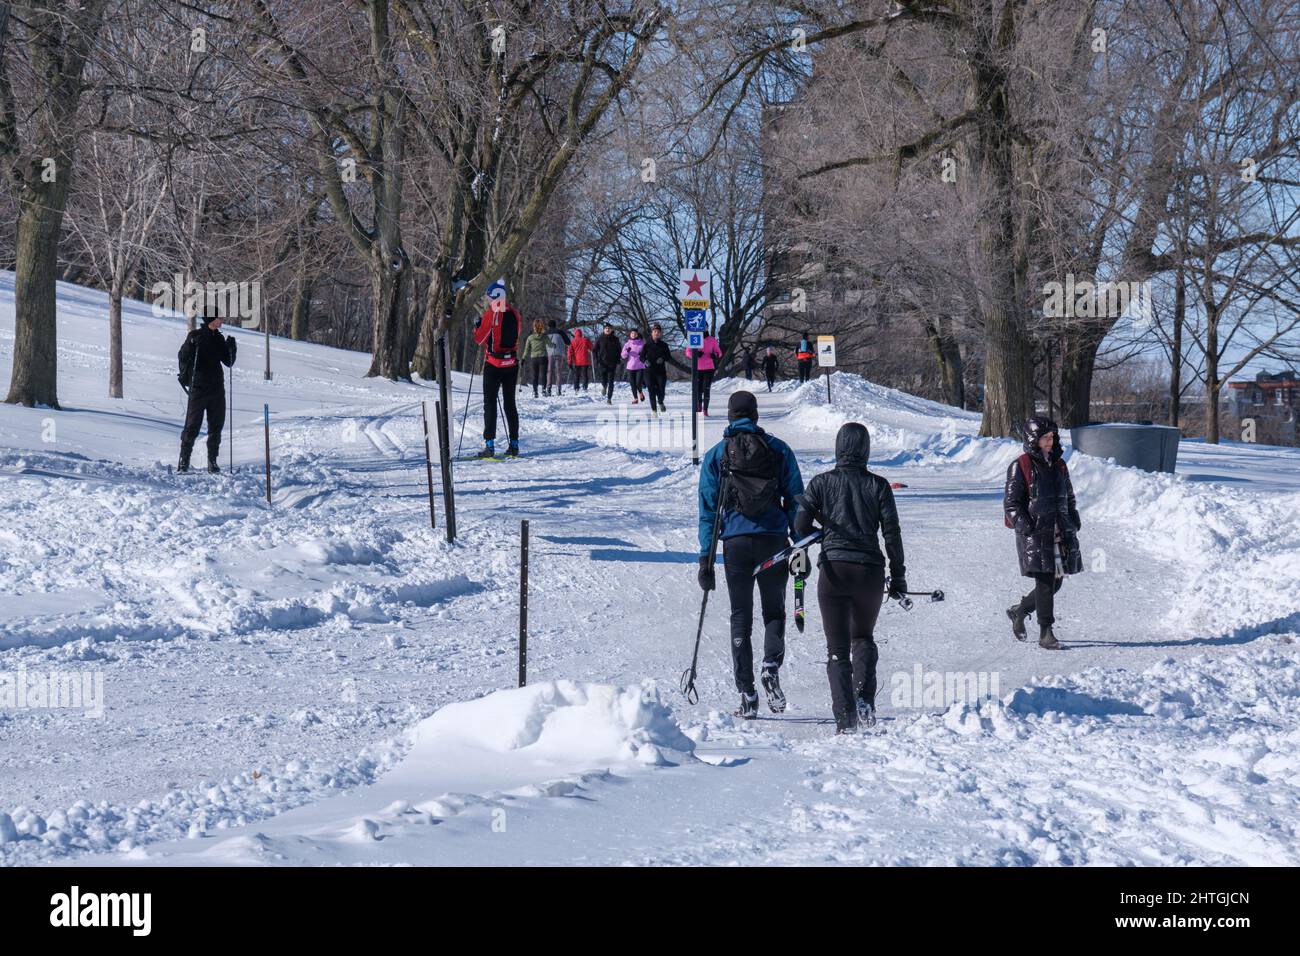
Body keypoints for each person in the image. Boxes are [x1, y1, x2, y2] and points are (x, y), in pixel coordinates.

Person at [697, 390, 804, 719]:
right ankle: (771, 665)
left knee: (740, 615)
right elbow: (797, 501)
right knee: (774, 611)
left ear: (730, 416)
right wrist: (798, 545)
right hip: (774, 541)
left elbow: (708, 510)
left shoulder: (717, 455)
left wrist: (706, 558)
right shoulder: (778, 450)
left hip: (736, 544)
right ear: (756, 416)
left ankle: (747, 694)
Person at [793, 422, 906, 734]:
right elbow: (892, 535)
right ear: (866, 449)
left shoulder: (820, 483)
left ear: (838, 447)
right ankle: (865, 699)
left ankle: (845, 718)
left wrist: (822, 531)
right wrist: (899, 578)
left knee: (837, 648)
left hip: (834, 570)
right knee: (863, 637)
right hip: (870, 570)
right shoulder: (879, 486)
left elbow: (800, 527)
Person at [1004, 415, 1082, 650]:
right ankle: (1046, 632)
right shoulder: (1022, 465)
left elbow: (1068, 496)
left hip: (1059, 532)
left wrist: (1073, 518)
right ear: (1032, 439)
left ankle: (1020, 610)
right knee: (1046, 582)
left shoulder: (1059, 464)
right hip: (1036, 534)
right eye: (1045, 438)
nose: (1050, 442)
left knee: (1055, 582)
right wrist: (1028, 527)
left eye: (1052, 437)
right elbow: (1011, 504)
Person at [177, 309, 237, 473]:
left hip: (217, 388)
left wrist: (232, 348)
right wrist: (191, 346)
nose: (222, 320)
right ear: (211, 318)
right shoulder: (195, 335)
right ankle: (184, 460)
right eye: (220, 318)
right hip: (198, 388)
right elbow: (182, 356)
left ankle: (212, 461)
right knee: (192, 425)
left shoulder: (218, 338)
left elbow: (228, 362)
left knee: (216, 426)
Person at [471, 297, 521, 458]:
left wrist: (476, 326)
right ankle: (514, 445)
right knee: (510, 404)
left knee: (490, 403)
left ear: (492, 298)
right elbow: (517, 334)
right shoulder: (515, 313)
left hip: (494, 364)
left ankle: (490, 446)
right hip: (511, 363)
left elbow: (479, 339)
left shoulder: (491, 313)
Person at [685, 333, 722, 415]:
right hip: (697, 369)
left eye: (705, 327)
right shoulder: (694, 337)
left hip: (709, 368)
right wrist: (695, 354)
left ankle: (705, 410)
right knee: (698, 389)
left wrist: (715, 355)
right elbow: (687, 352)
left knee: (706, 389)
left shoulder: (712, 339)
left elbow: (719, 353)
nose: (703, 328)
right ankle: (699, 406)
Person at [642, 323, 671, 415]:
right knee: (651, 390)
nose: (656, 333)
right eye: (655, 331)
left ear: (660, 334)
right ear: (652, 333)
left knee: (661, 390)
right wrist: (645, 361)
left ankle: (660, 402)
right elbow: (641, 356)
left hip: (660, 372)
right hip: (649, 371)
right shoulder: (647, 345)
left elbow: (668, 357)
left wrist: (662, 358)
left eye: (658, 332)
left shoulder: (664, 345)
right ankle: (654, 410)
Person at [594, 323, 622, 404]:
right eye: (606, 328)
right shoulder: (600, 339)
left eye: (609, 328)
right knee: (604, 379)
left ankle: (609, 399)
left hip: (612, 363)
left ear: (612, 330)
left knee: (611, 381)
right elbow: (594, 350)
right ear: (603, 330)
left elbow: (619, 350)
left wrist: (618, 359)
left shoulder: (616, 339)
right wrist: (596, 359)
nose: (607, 329)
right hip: (602, 363)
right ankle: (604, 386)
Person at [522, 319, 549, 398]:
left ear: (534, 327)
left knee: (535, 375)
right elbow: (550, 345)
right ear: (541, 326)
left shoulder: (530, 338)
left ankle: (535, 391)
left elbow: (526, 349)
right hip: (543, 357)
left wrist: (523, 358)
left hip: (534, 358)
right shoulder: (544, 336)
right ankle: (544, 390)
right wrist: (554, 345)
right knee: (543, 374)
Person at [621, 329, 647, 404]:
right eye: (632, 333)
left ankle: (640, 392)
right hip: (630, 367)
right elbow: (623, 356)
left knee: (638, 383)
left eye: (635, 333)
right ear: (630, 334)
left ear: (637, 334)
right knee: (632, 383)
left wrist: (642, 354)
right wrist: (627, 351)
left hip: (640, 366)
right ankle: (635, 398)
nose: (633, 334)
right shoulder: (627, 344)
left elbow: (646, 353)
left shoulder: (642, 343)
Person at [545, 319, 569, 396]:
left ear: (548, 326)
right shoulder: (560, 332)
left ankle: (548, 389)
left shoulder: (545, 333)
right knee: (558, 372)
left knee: (549, 371)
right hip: (559, 353)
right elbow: (568, 342)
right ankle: (558, 390)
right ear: (555, 325)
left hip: (550, 353)